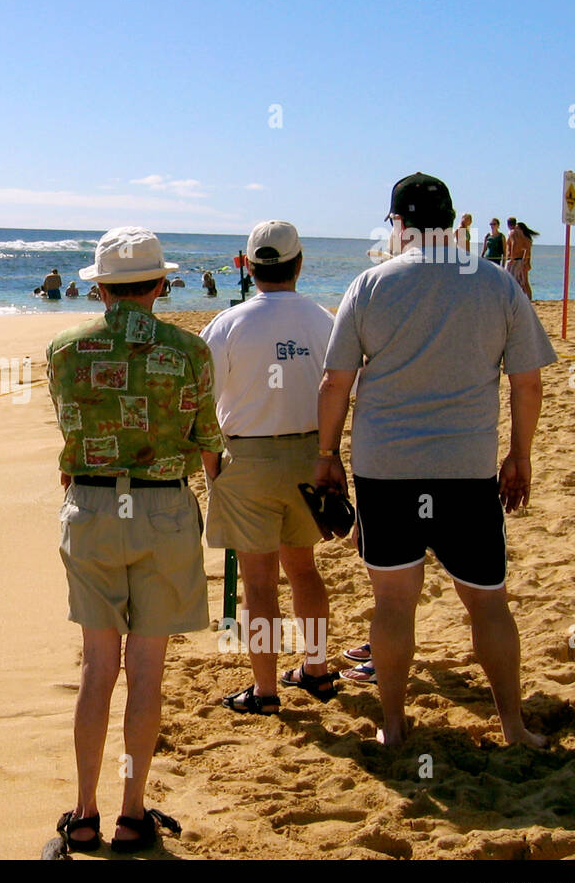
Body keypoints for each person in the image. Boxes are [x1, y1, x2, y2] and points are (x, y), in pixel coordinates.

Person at [317, 172, 555, 748]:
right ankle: (513, 727)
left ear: (397, 223)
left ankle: (395, 729)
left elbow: (335, 382)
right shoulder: (498, 285)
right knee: (488, 605)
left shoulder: (371, 284)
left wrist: (326, 455)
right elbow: (527, 384)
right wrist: (518, 455)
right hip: (466, 468)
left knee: (394, 605)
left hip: (387, 468)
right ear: (452, 220)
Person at [46, 226, 223, 853]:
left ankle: (85, 811)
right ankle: (131, 812)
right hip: (162, 508)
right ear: (159, 285)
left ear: (100, 289)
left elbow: (69, 437)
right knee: (146, 672)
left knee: (98, 669)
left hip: (92, 506)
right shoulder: (189, 350)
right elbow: (209, 446)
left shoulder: (64, 351)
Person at [199, 221, 338, 715]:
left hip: (248, 456)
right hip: (308, 453)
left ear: (249, 267)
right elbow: (342, 388)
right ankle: (316, 669)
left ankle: (265, 690)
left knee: (259, 582)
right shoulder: (323, 319)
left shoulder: (229, 323)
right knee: (303, 568)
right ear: (299, 264)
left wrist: (211, 465)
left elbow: (201, 402)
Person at [505, 218, 537, 299]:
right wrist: (525, 260)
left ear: (508, 224)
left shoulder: (512, 232)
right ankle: (527, 299)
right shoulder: (521, 234)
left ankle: (516, 299)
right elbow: (527, 247)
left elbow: (514, 243)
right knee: (522, 282)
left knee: (512, 281)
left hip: (515, 260)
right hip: (520, 260)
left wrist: (512, 258)